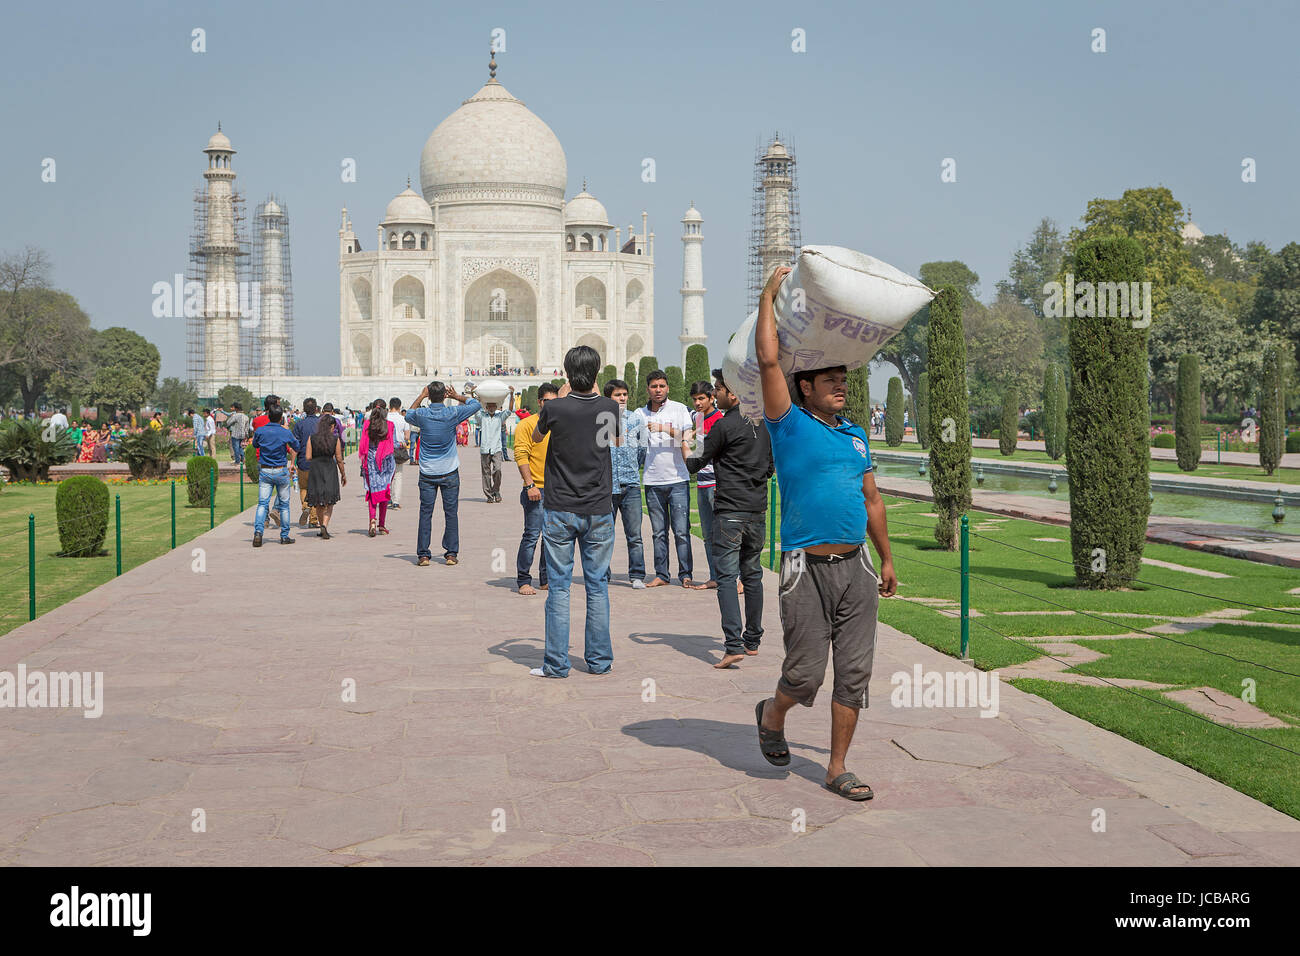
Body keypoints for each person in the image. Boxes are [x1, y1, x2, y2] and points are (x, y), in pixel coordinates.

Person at [753, 266, 897, 802]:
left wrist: (886, 559)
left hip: (856, 568)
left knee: (854, 673)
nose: (841, 387)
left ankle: (838, 767)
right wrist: (769, 294)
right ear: (805, 387)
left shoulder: (857, 436)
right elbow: (769, 358)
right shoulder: (787, 424)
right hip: (804, 570)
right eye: (830, 381)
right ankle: (773, 715)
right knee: (804, 675)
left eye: (844, 380)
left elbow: (872, 499)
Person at [529, 346, 620, 678]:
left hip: (561, 508)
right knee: (597, 586)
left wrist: (564, 397)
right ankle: (598, 661)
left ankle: (556, 663)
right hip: (598, 507)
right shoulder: (609, 406)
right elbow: (615, 441)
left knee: (560, 587)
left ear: (566, 373)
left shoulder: (554, 408)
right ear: (597, 374)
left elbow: (538, 437)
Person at [687, 368, 774, 668]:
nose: (715, 395)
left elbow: (696, 463)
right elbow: (769, 468)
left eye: (718, 389)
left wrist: (686, 445)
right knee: (752, 574)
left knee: (726, 577)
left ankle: (733, 644)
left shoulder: (724, 426)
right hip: (756, 511)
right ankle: (752, 640)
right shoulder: (764, 425)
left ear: (732, 393)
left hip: (730, 511)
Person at [405, 381, 480, 567]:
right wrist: (456, 397)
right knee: (451, 513)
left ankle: (423, 555)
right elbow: (476, 404)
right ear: (444, 396)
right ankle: (451, 554)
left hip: (428, 473)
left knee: (425, 514)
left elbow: (408, 414)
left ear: (429, 395)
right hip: (449, 472)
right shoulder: (452, 413)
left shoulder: (422, 415)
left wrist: (421, 396)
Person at [640, 370, 697, 588]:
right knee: (658, 532)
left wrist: (664, 428)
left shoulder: (679, 409)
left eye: (662, 386)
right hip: (653, 480)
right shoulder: (640, 413)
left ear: (667, 388)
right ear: (648, 389)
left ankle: (685, 574)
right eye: (654, 386)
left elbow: (688, 437)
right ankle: (662, 574)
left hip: (677, 478)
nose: (658, 390)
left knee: (682, 531)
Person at [603, 378, 648, 588]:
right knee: (604, 534)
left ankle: (637, 574)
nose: (622, 398)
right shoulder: (601, 421)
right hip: (606, 486)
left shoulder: (635, 420)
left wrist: (631, 469)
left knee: (635, 535)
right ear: (608, 398)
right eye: (617, 395)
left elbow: (642, 451)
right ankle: (603, 573)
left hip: (630, 485)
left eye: (624, 394)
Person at [513, 383, 556, 595]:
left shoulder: (559, 424)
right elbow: (521, 455)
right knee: (532, 535)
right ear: (540, 402)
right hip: (535, 488)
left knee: (551, 537)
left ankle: (545, 579)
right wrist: (530, 484)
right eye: (548, 401)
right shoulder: (527, 424)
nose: (551, 406)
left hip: (556, 489)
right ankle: (523, 579)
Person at [689, 381, 725, 588]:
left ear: (712, 398)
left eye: (702, 398)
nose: (698, 403)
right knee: (708, 535)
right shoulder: (698, 417)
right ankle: (715, 577)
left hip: (716, 484)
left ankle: (734, 578)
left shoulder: (720, 420)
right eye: (695, 399)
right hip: (701, 484)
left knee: (723, 534)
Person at [250, 404, 299, 547]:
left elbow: (255, 445)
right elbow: (296, 446)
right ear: (281, 418)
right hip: (280, 469)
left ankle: (258, 533)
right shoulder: (285, 432)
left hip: (265, 470)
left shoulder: (261, 431)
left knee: (262, 503)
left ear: (268, 416)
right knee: (284, 506)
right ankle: (284, 536)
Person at [305, 410, 347, 538]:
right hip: (329, 468)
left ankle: (320, 524)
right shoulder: (335, 439)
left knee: (318, 501)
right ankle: (324, 524)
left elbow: (308, 456)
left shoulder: (312, 438)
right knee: (330, 500)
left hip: (316, 469)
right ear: (332, 426)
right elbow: (339, 459)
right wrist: (343, 474)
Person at [359, 407, 396, 537]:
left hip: (370, 462)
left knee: (372, 491)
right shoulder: (389, 425)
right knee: (384, 492)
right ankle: (381, 524)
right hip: (385, 462)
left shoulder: (368, 425)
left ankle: (372, 521)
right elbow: (393, 443)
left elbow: (363, 444)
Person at [477, 386, 515, 502]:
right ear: (487, 407)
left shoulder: (500, 416)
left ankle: (496, 490)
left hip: (496, 448)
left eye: (494, 406)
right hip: (485, 449)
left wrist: (512, 395)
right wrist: (475, 395)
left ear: (496, 407)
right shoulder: (482, 417)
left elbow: (509, 409)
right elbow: (475, 408)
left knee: (497, 470)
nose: (492, 408)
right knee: (486, 473)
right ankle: (489, 495)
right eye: (490, 406)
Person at [292, 398, 321, 529]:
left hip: (303, 461)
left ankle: (305, 506)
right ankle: (313, 520)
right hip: (318, 462)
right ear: (316, 409)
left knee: (304, 488)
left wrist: (292, 463)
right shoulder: (321, 423)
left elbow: (295, 446)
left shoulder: (299, 425)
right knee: (315, 490)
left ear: (304, 409)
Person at [387, 397, 410, 510]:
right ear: (399, 407)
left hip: (385, 449)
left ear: (389, 406)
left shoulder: (384, 417)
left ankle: (386, 499)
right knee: (398, 475)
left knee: (386, 475)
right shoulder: (403, 419)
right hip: (399, 450)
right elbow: (407, 436)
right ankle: (395, 501)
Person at [226, 403, 248, 468]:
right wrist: (246, 434)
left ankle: (237, 461)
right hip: (243, 434)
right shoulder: (246, 416)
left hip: (235, 434)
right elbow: (247, 427)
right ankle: (243, 459)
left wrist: (231, 418)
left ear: (236, 408)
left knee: (235, 447)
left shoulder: (235, 415)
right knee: (240, 447)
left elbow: (228, 423)